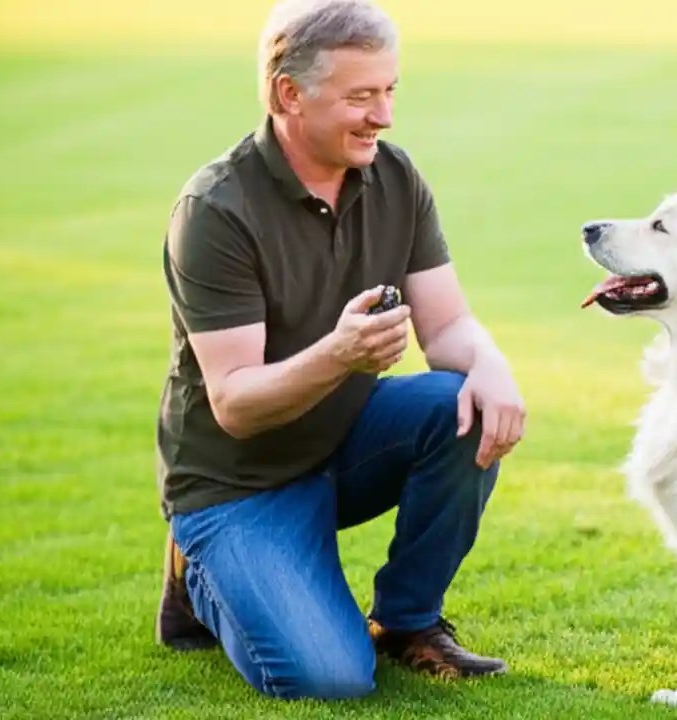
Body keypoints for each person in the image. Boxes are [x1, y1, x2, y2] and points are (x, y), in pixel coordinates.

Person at [152, 0, 525, 699]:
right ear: (288, 93)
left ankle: (408, 622)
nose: (383, 116)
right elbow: (234, 404)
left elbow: (446, 330)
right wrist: (340, 354)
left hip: (341, 442)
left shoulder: (396, 176)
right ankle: (195, 574)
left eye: (389, 92)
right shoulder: (215, 210)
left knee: (461, 404)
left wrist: (493, 365)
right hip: (238, 485)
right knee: (329, 677)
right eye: (361, 97)